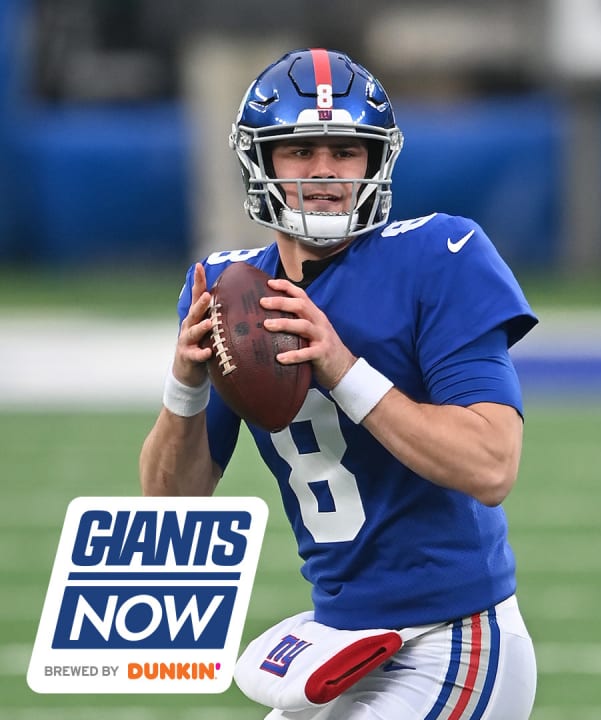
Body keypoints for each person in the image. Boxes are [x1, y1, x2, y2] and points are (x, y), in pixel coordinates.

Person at [139, 48, 538, 719]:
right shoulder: (229, 289)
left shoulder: (439, 258)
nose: (324, 171)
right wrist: (185, 386)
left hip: (453, 640)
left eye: (346, 150)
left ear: (375, 161)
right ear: (260, 160)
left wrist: (343, 368)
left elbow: (492, 464)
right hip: (341, 643)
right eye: (300, 149)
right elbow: (172, 500)